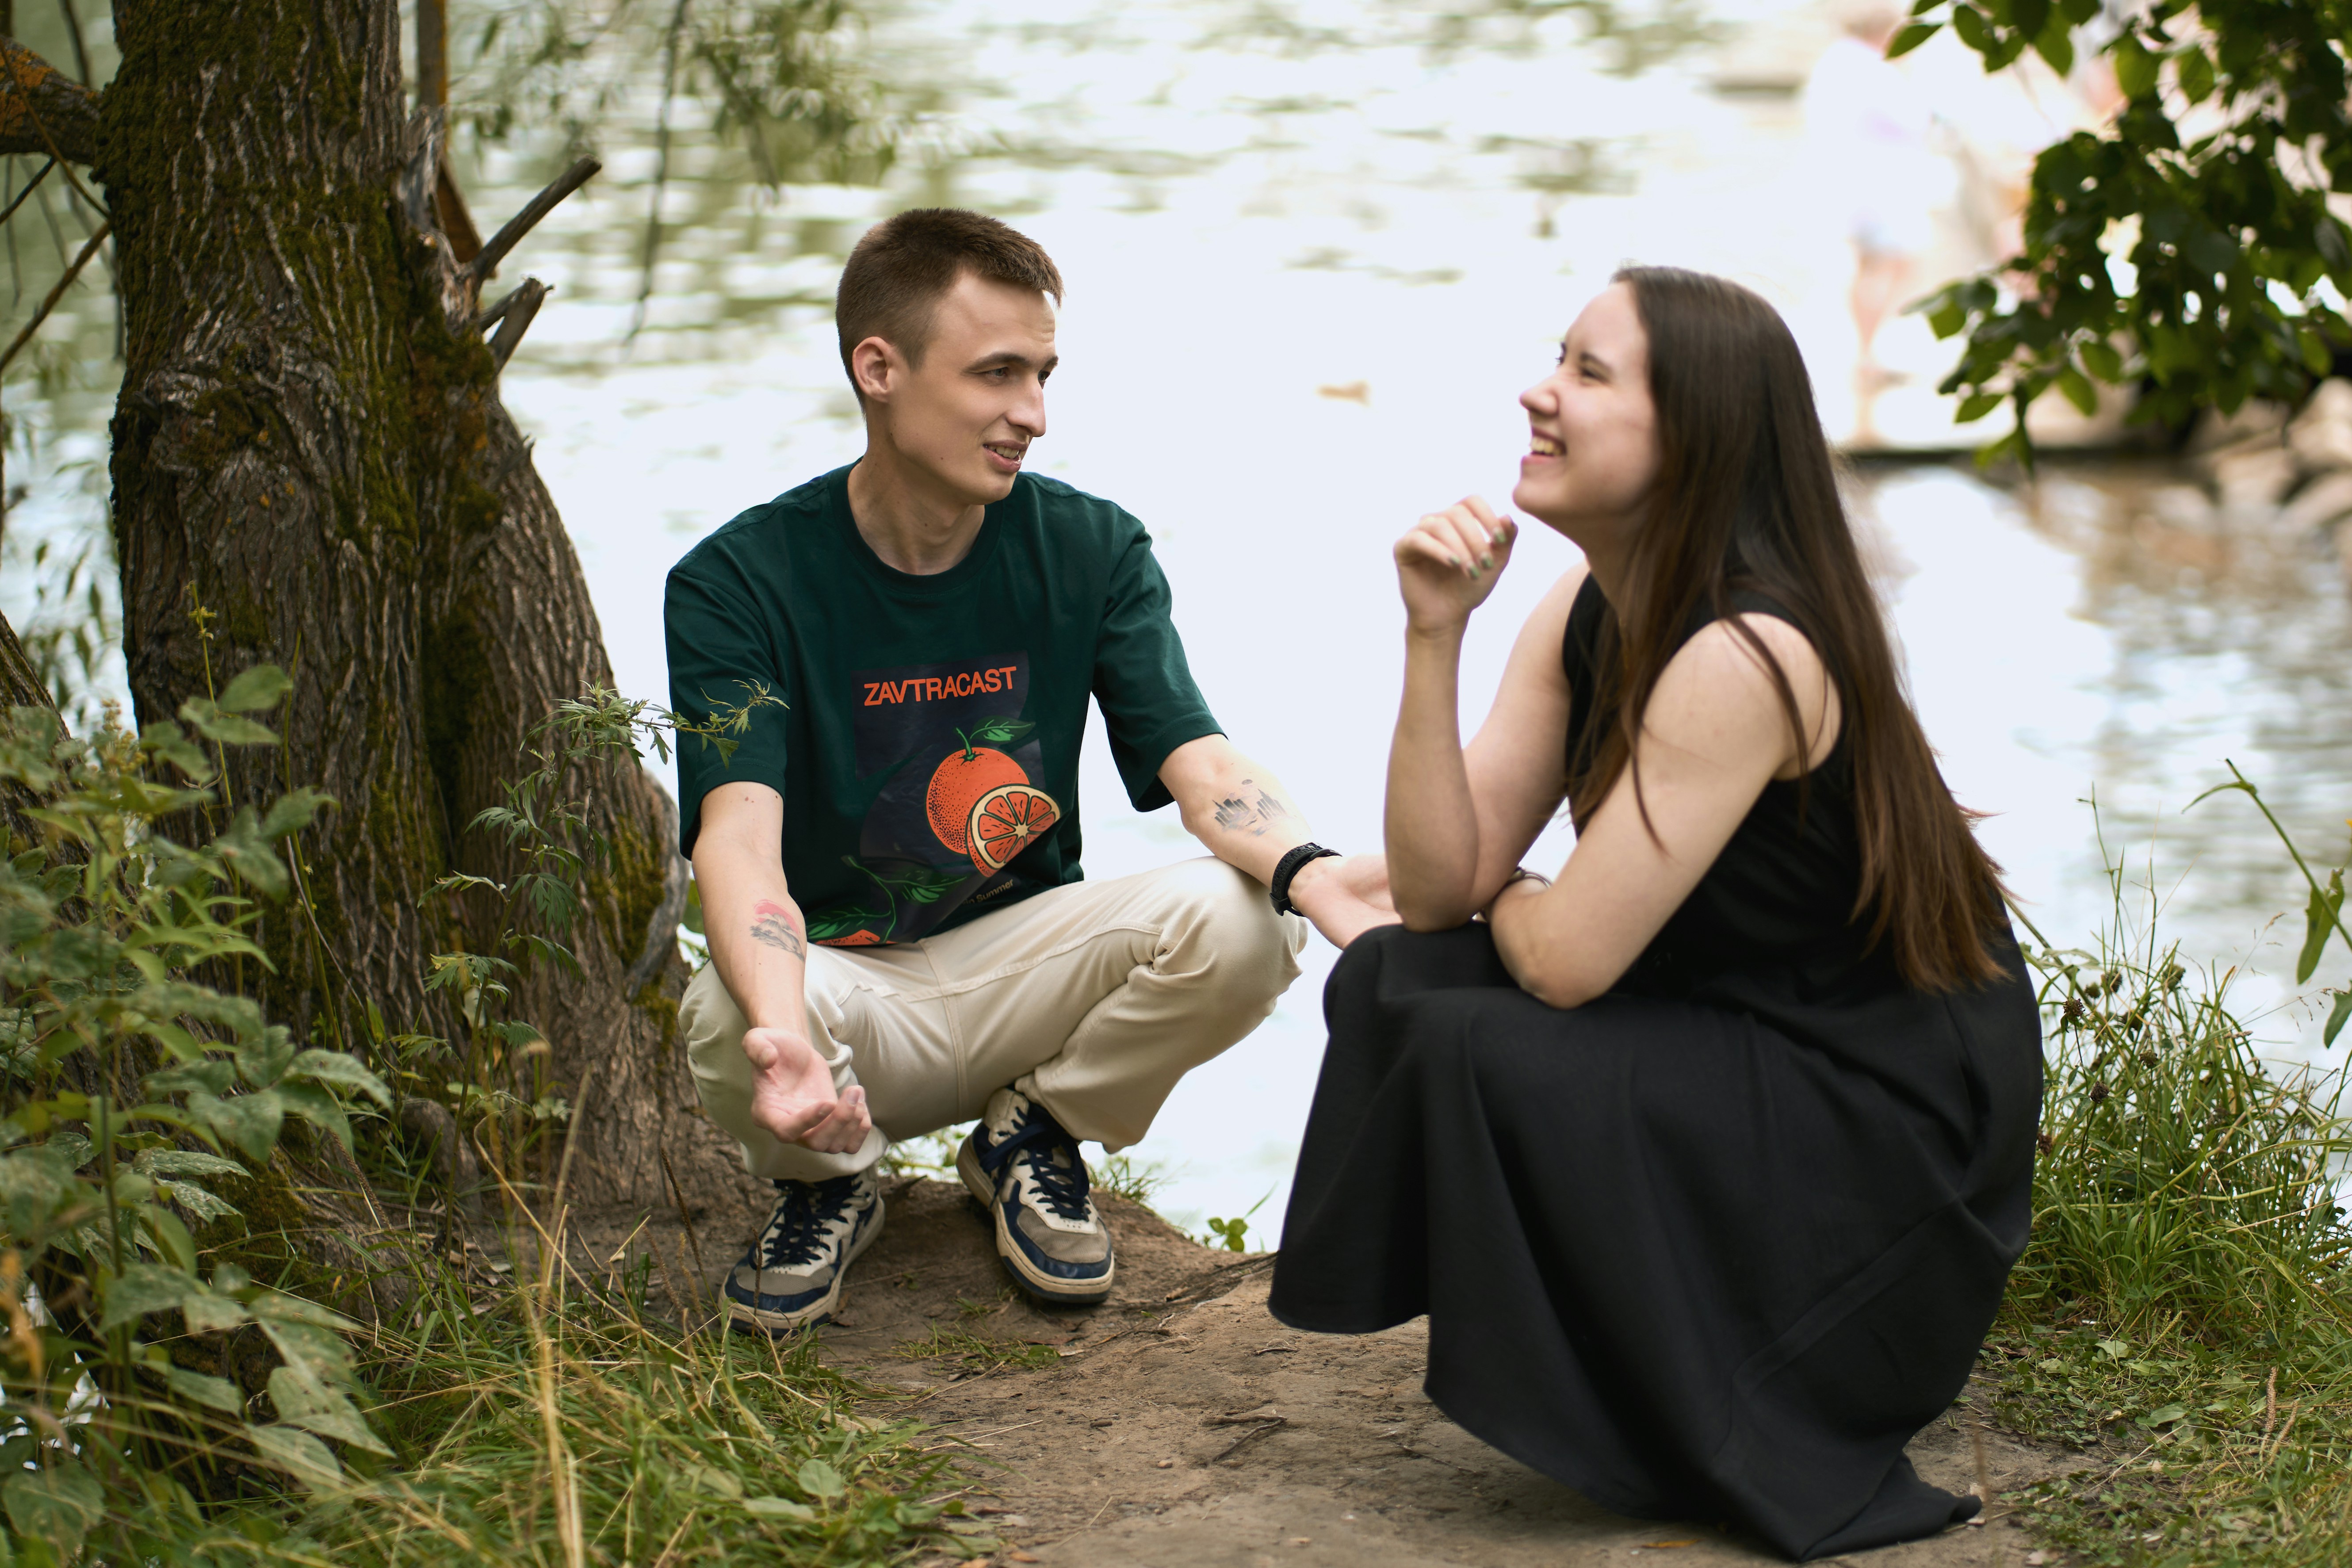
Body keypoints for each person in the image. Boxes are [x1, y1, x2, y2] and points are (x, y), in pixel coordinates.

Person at [1266, 267, 2042, 1560]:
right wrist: (1431, 637)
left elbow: (1562, 962)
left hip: (1883, 1136)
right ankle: (1628, 1364)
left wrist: (1507, 894)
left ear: (1696, 434)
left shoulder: (1750, 652)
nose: (1538, 390)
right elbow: (1442, 886)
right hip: (1738, 1042)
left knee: (1467, 1023)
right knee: (1400, 983)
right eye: (1553, 357)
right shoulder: (1582, 607)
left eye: (1587, 371)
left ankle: (1743, 1385)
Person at [665, 207, 1392, 1335]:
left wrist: (1307, 868)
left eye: (1043, 375)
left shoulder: (1092, 549)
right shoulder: (736, 582)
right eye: (997, 374)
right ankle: (829, 1176)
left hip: (1022, 972)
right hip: (854, 992)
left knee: (1246, 921)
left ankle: (1030, 1134)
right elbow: (739, 833)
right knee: (728, 1008)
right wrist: (785, 1029)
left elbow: (1194, 758)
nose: (1032, 416)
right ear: (879, 369)